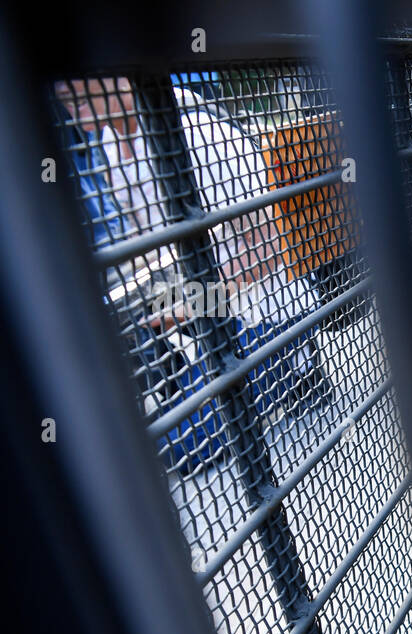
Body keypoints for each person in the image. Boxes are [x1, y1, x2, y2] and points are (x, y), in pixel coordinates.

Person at [54, 76, 330, 473]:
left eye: (77, 78)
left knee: (175, 451)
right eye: (61, 88)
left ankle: (300, 371)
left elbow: (271, 249)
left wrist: (189, 306)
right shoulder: (109, 143)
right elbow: (147, 248)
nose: (67, 93)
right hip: (199, 299)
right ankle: (190, 384)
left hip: (264, 309)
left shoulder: (198, 131)